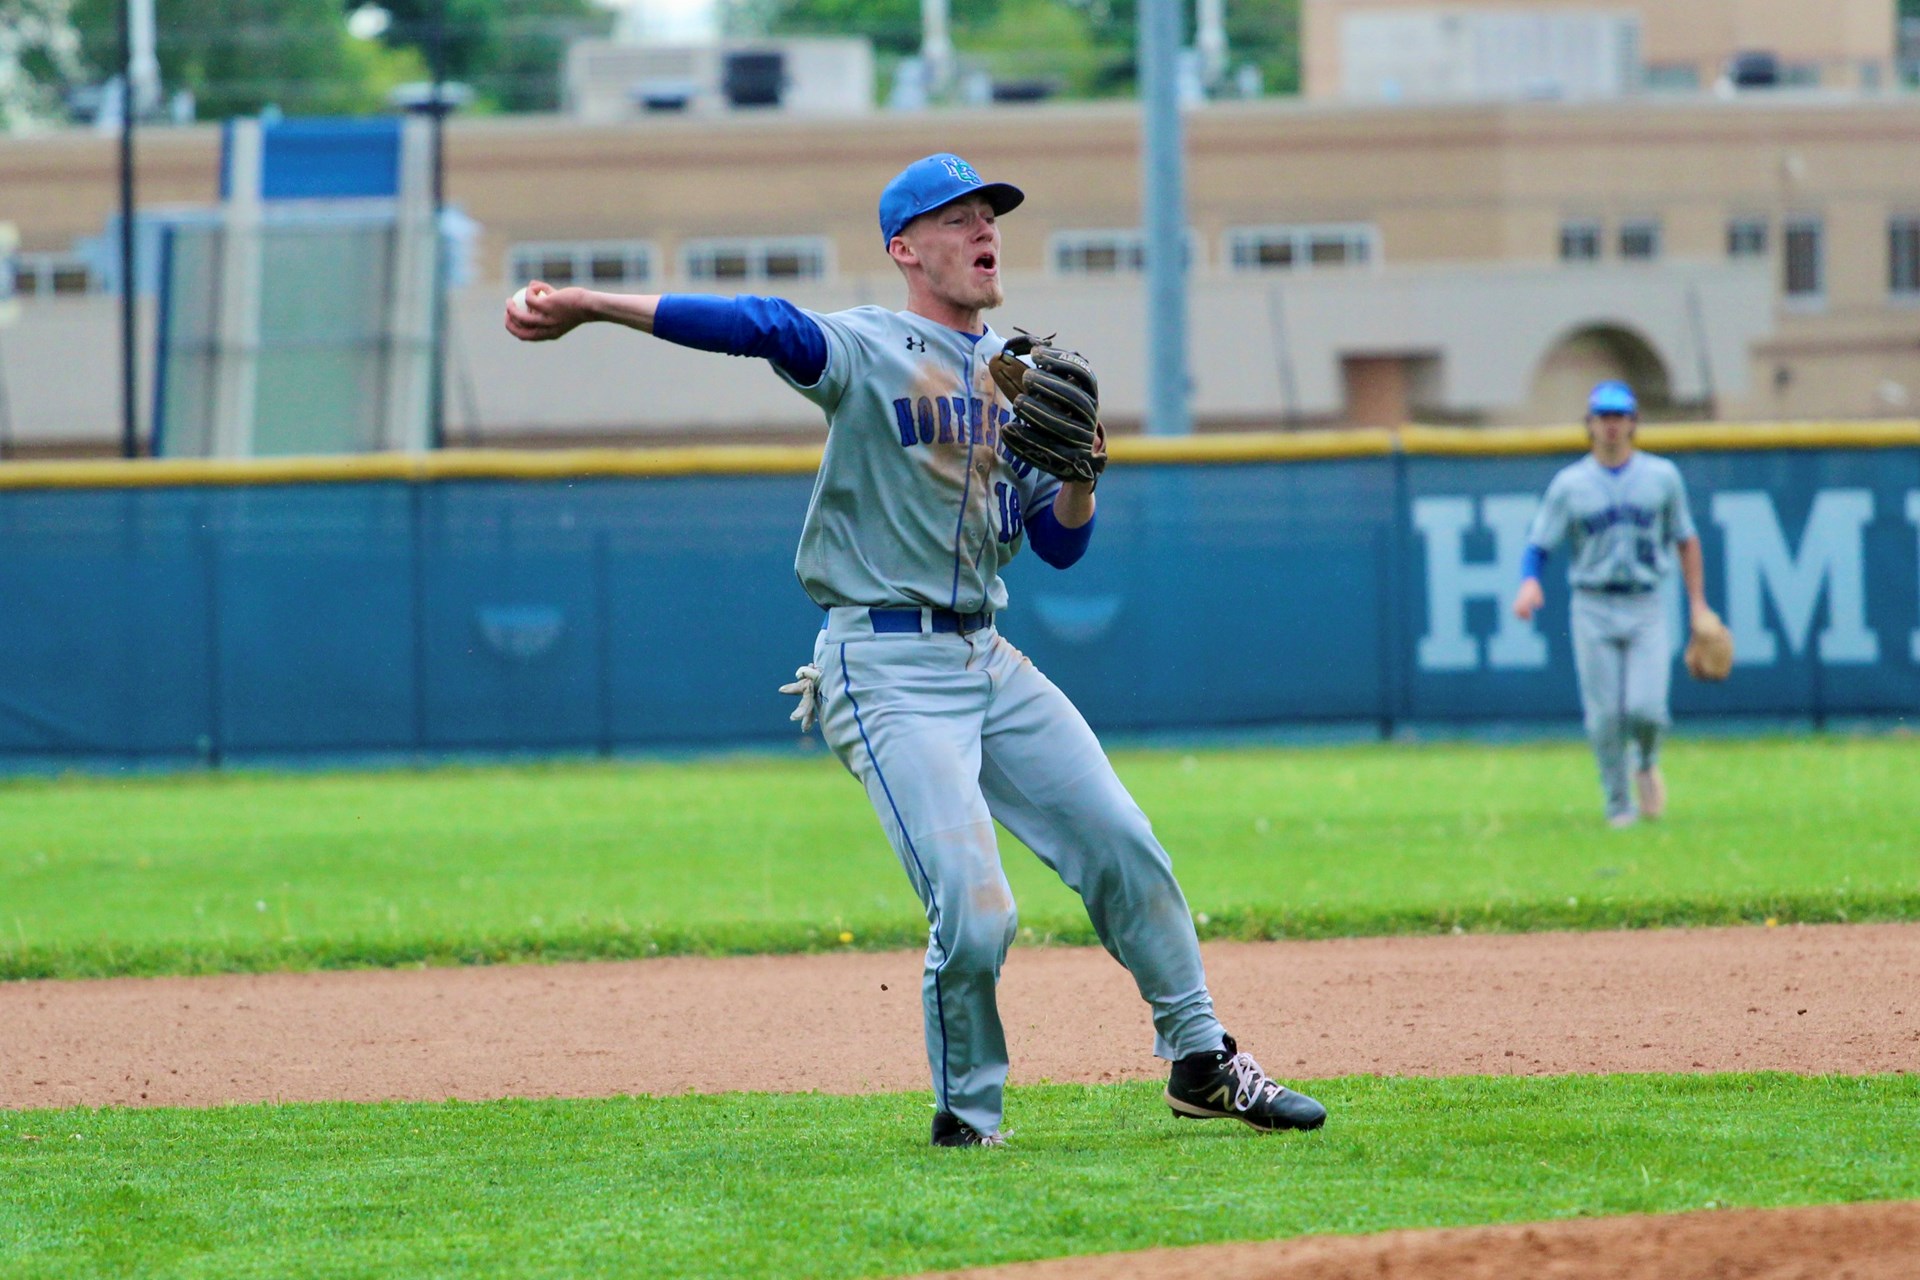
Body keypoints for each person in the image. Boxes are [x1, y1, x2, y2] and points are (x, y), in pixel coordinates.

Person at [505, 152, 1326, 1147]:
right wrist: (593, 303)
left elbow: (1059, 542)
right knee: (978, 912)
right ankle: (969, 1121)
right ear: (905, 247)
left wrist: (1084, 469)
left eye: (990, 215)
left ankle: (1203, 1059)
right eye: (958, 218)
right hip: (883, 665)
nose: (984, 230)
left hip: (987, 657)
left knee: (1125, 843)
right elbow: (761, 326)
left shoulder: (1016, 379)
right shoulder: (864, 346)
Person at [1511, 380, 1711, 828]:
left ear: (1634, 422)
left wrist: (1697, 603)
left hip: (1645, 603)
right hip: (1593, 604)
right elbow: (1539, 543)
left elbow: (1686, 540)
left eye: (1620, 416)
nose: (1612, 425)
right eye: (1604, 417)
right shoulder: (1570, 484)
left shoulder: (1662, 477)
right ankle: (1618, 805)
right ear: (1589, 424)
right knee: (1604, 717)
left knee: (1647, 709)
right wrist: (1529, 583)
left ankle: (1646, 760)